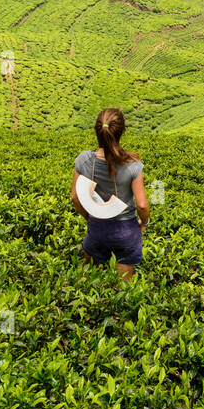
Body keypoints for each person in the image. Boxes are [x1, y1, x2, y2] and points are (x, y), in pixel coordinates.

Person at [70, 107, 149, 281]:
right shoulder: (133, 164)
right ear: (122, 131)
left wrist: (89, 218)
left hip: (97, 227)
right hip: (126, 230)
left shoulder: (83, 160)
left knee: (89, 282)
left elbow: (75, 198)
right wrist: (144, 222)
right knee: (124, 290)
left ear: (97, 130)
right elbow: (142, 205)